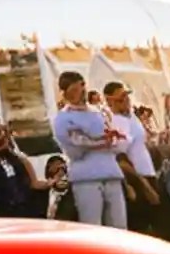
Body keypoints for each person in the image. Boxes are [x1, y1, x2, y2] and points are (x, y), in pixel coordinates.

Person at [105, 81, 170, 242]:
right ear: (110, 101)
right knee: (149, 228)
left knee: (166, 226)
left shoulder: (131, 117)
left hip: (149, 174)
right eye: (120, 99)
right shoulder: (117, 124)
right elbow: (121, 160)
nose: (125, 101)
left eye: (126, 97)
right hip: (138, 179)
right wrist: (143, 186)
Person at [51, 71, 127, 228]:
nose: (80, 92)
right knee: (94, 226)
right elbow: (75, 147)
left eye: (81, 87)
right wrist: (99, 141)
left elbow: (113, 137)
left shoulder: (100, 112)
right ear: (65, 92)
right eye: (74, 90)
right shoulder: (63, 118)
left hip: (110, 172)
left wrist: (111, 139)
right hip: (86, 177)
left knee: (119, 227)